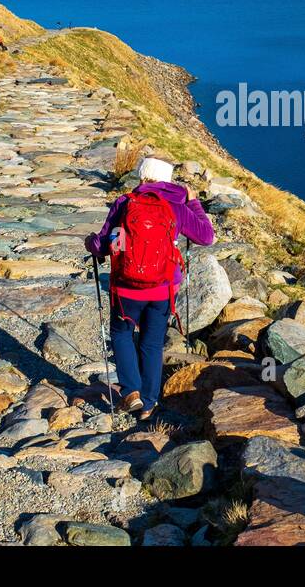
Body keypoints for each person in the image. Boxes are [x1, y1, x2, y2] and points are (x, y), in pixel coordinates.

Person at [85, 157, 214, 418]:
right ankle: (148, 403)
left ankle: (130, 390)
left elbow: (102, 244)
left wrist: (90, 243)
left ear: (142, 177)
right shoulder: (176, 206)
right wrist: (193, 202)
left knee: (121, 334)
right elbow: (206, 236)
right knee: (152, 344)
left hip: (125, 287)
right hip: (163, 288)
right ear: (167, 180)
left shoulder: (125, 202)